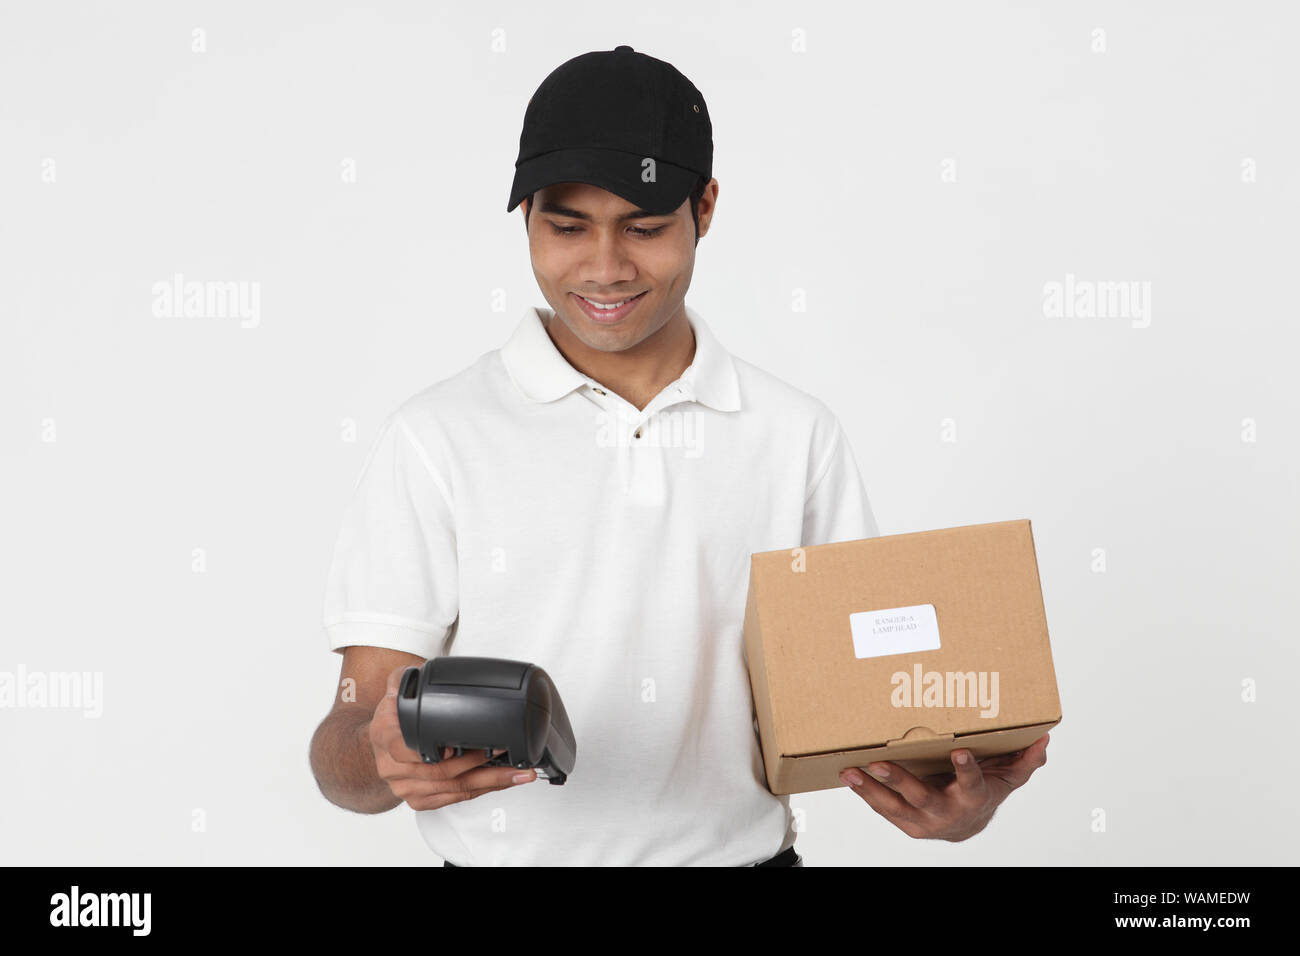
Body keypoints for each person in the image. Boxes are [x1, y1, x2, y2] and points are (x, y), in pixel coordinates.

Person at [308, 45, 1047, 867]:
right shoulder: (436, 435)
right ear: (525, 220)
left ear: (706, 207)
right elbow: (344, 745)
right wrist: (380, 753)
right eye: (566, 225)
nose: (604, 266)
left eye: (645, 226)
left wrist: (954, 797)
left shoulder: (794, 433)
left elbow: (862, 696)